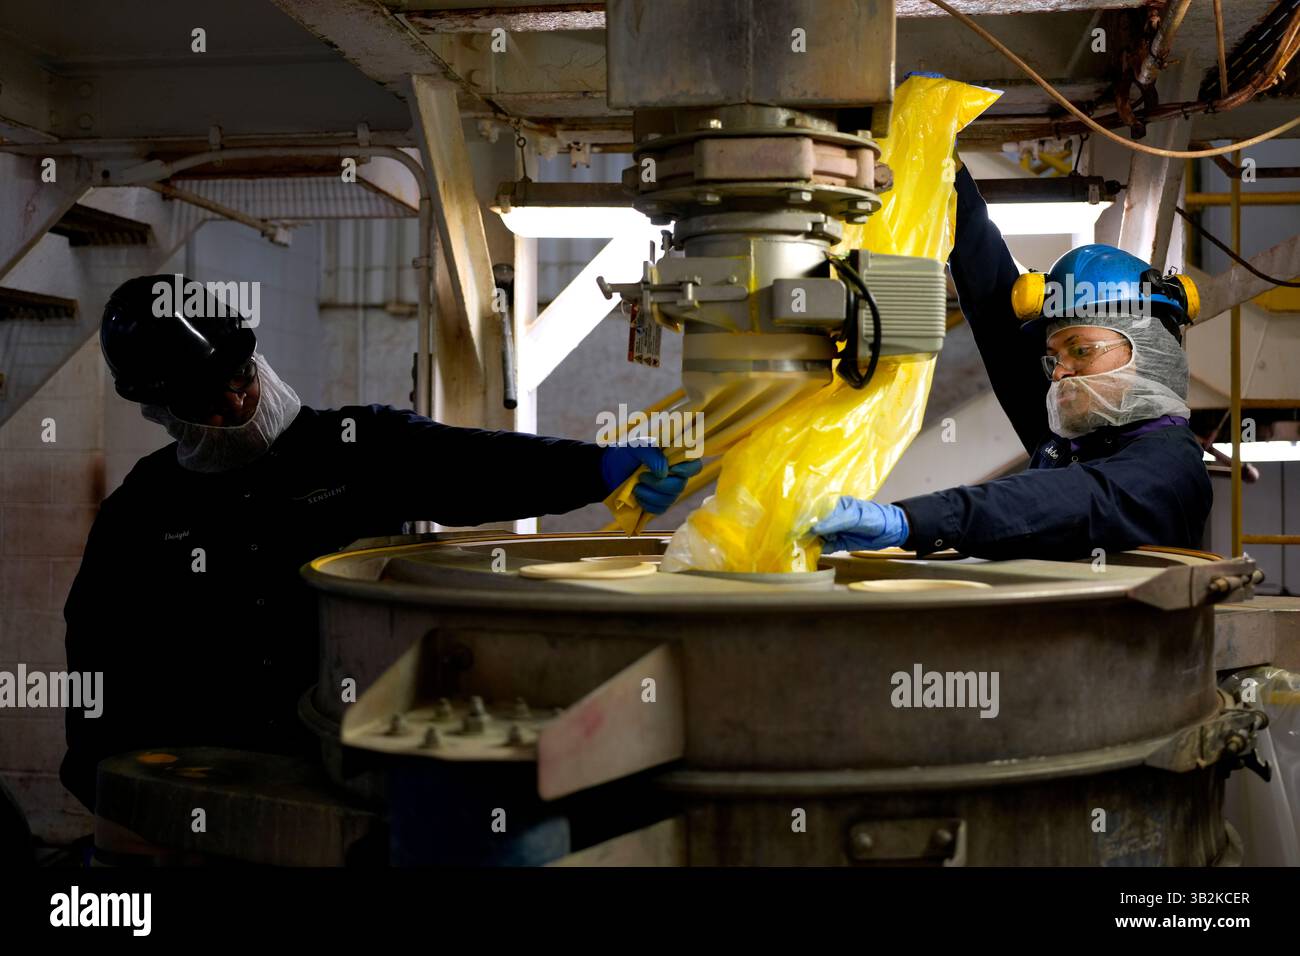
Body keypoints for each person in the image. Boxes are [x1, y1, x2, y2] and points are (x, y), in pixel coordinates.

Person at [60, 274, 700, 811]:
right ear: (162, 412)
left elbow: (479, 466)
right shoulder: (143, 509)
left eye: (241, 377)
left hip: (357, 767)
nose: (237, 400)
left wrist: (595, 469)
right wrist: (103, 781)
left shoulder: (354, 448)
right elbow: (98, 644)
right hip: (217, 782)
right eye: (210, 403)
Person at [813, 161, 1211, 561]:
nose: (1059, 372)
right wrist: (945, 165)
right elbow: (993, 313)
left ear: (1147, 352)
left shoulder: (1170, 468)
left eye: (1081, 349)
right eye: (1053, 355)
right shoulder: (1074, 432)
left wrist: (911, 521)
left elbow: (1065, 500)